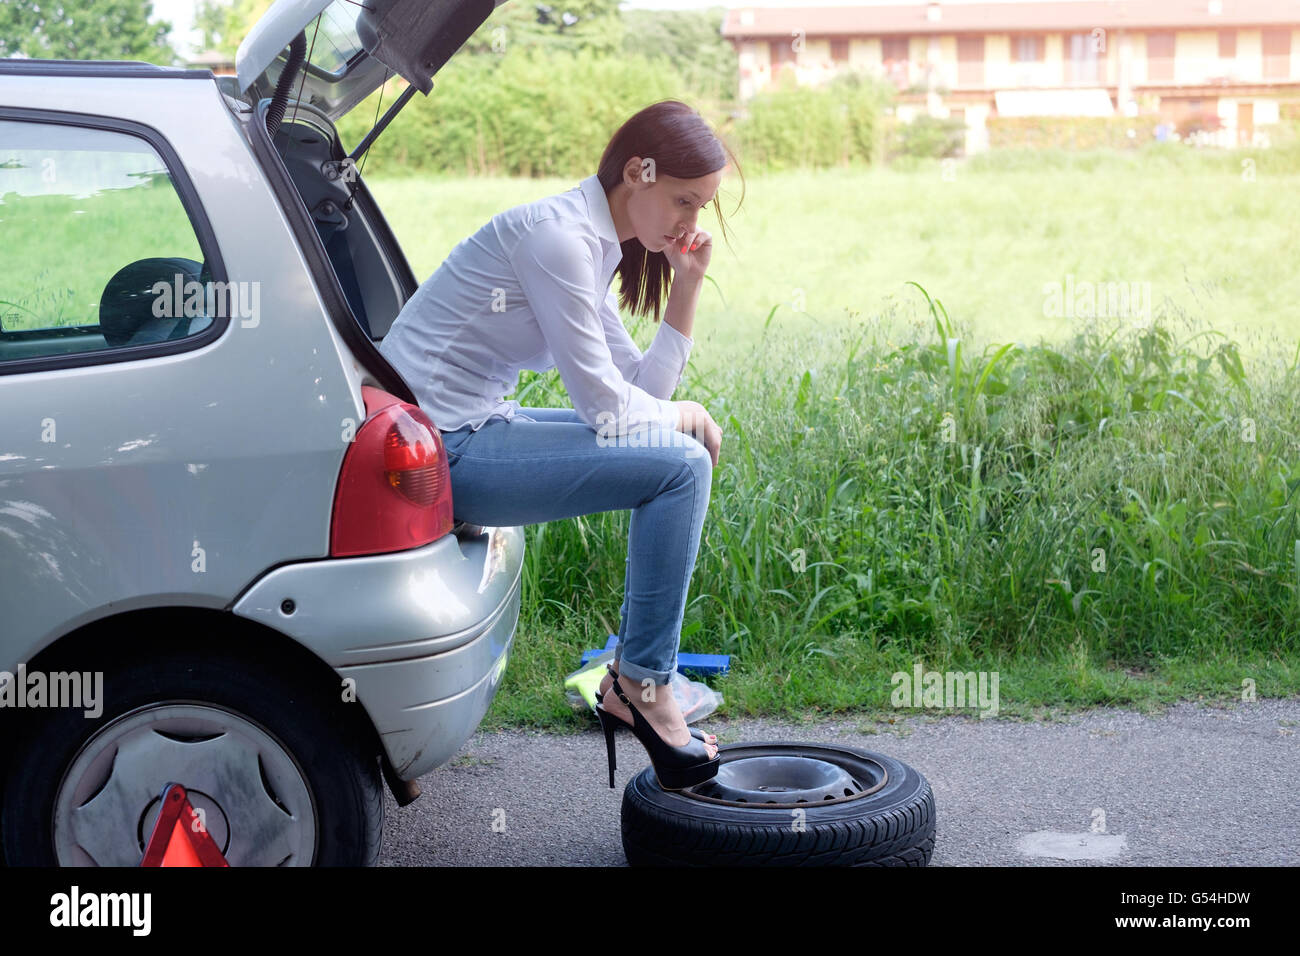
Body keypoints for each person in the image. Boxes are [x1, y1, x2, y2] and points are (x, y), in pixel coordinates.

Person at [378, 100, 745, 790]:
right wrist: (683, 414)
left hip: (467, 427)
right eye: (684, 201)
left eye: (703, 208)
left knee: (682, 459)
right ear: (639, 172)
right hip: (436, 451)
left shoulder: (589, 242)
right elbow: (609, 409)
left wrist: (686, 286)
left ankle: (637, 681)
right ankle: (642, 686)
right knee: (683, 466)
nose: (691, 224)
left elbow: (639, 387)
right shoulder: (557, 240)